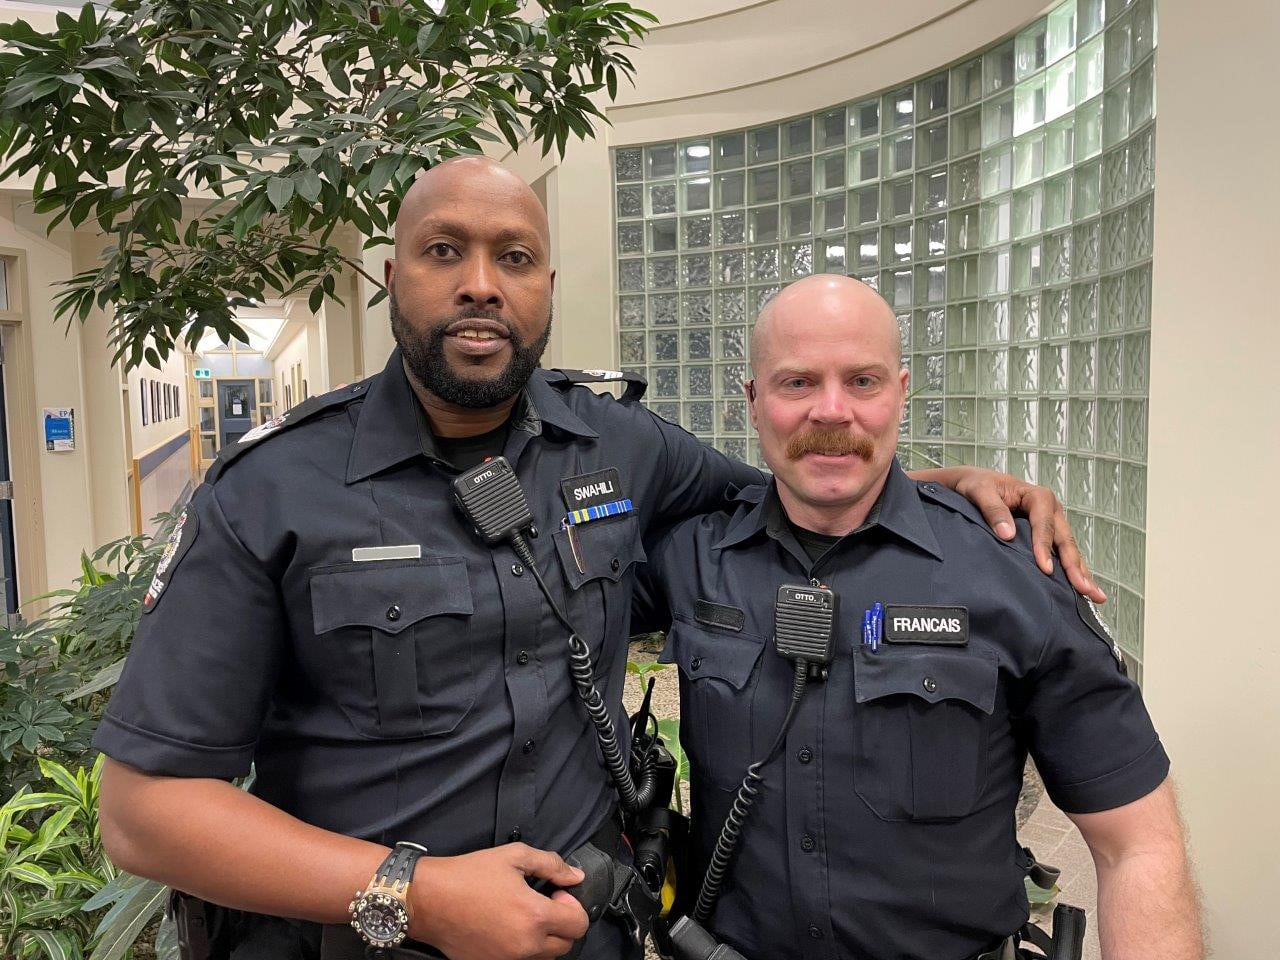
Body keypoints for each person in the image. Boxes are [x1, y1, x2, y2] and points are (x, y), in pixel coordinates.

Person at [94, 159, 1097, 960]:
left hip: (590, 934)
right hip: (369, 941)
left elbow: (789, 491)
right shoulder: (271, 489)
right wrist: (420, 894)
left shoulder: (618, 444)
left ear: (546, 288)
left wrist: (941, 487)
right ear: (393, 278)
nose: (480, 283)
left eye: (514, 257)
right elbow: (144, 815)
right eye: (444, 251)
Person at [635, 274, 1202, 960]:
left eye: (863, 381)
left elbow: (1136, 845)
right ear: (754, 402)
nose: (832, 411)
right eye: (798, 383)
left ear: (901, 393)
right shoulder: (691, 556)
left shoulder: (1016, 572)